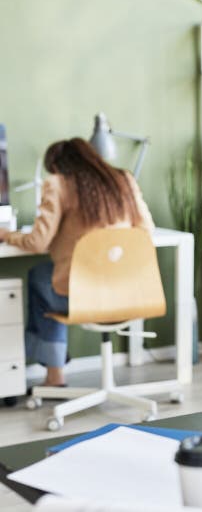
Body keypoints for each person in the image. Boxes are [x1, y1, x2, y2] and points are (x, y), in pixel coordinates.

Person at [0, 138, 154, 388]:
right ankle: (53, 370)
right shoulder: (123, 180)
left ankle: (54, 373)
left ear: (57, 167)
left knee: (39, 277)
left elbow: (38, 242)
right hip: (128, 293)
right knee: (43, 276)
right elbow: (146, 230)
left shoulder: (58, 184)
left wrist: (7, 235)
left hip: (85, 296)